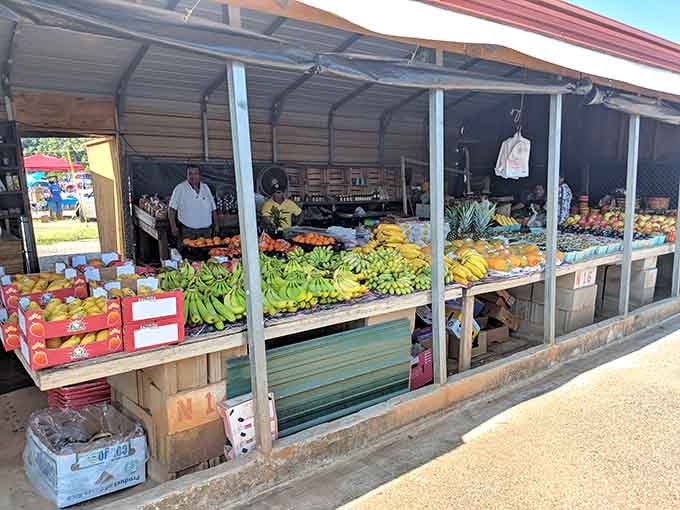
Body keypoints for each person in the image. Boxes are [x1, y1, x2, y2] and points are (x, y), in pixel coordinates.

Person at [168, 165, 218, 241]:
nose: (193, 176)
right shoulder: (180, 188)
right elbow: (171, 209)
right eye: (190, 174)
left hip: (206, 231)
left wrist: (216, 225)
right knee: (187, 252)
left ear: (200, 175)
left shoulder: (205, 187)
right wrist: (173, 227)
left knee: (207, 252)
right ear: (187, 175)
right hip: (187, 231)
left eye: (195, 173)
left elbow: (213, 209)